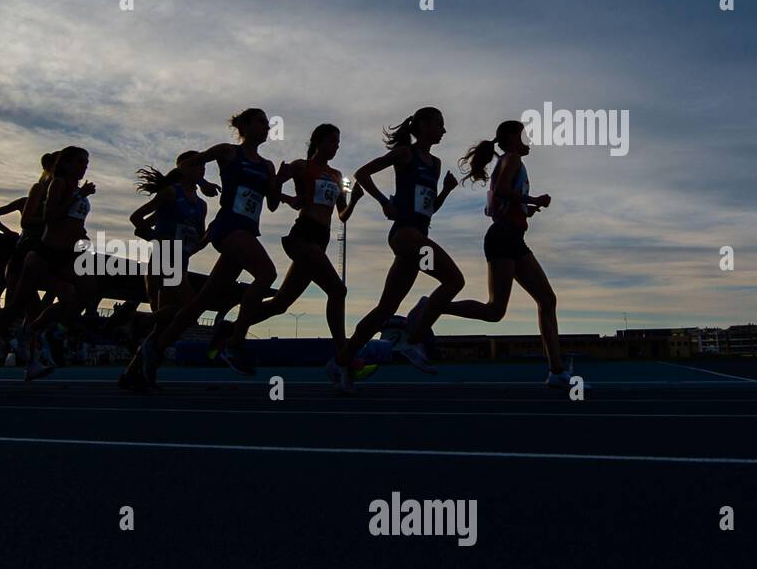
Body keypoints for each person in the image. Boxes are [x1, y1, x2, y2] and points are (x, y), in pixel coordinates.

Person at [132, 108, 281, 382]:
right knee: (266, 274)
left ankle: (152, 351)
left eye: (267, 122)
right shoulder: (228, 152)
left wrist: (278, 182)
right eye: (260, 121)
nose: (266, 126)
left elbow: (271, 204)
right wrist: (202, 181)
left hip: (248, 230)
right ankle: (234, 342)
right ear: (245, 126)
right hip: (229, 228)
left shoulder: (267, 165)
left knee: (199, 303)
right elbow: (187, 165)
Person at [217, 123, 364, 389]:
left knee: (280, 304)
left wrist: (353, 201)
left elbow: (341, 215)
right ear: (318, 141)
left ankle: (230, 329)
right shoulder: (301, 167)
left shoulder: (336, 174)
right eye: (332, 141)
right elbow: (270, 191)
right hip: (302, 236)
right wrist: (281, 186)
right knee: (338, 291)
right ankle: (343, 357)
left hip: (322, 239)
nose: (336, 147)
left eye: (338, 142)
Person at [438, 120, 567, 387]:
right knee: (495, 310)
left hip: (511, 238)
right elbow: (501, 191)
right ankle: (432, 306)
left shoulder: (508, 162)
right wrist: (535, 200)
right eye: (522, 135)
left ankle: (556, 371)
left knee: (546, 299)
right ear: (510, 138)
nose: (526, 140)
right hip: (503, 238)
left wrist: (526, 210)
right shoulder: (511, 159)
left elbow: (499, 202)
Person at [339, 107, 462, 385]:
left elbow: (429, 210)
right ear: (424, 125)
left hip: (418, 233)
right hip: (405, 236)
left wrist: (446, 190)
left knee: (385, 308)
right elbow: (362, 173)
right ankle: (414, 336)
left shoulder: (436, 164)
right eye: (440, 124)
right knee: (454, 280)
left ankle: (342, 361)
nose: (444, 130)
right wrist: (384, 201)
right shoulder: (406, 153)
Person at [0, 145, 95, 380]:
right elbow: (42, 218)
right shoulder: (48, 187)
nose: (84, 167)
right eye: (79, 162)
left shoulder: (72, 189)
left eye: (86, 163)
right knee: (18, 309)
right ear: (62, 164)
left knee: (81, 291)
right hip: (36, 251)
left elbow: (68, 218)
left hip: (63, 253)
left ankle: (46, 338)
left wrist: (79, 232)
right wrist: (79, 198)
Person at [119, 151, 209, 388]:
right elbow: (137, 218)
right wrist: (155, 237)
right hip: (164, 257)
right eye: (194, 165)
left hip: (181, 261)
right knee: (190, 309)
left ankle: (132, 374)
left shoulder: (201, 205)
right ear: (182, 169)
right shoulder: (171, 193)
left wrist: (205, 241)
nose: (200, 169)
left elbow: (198, 237)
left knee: (167, 325)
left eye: (202, 165)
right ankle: (139, 321)